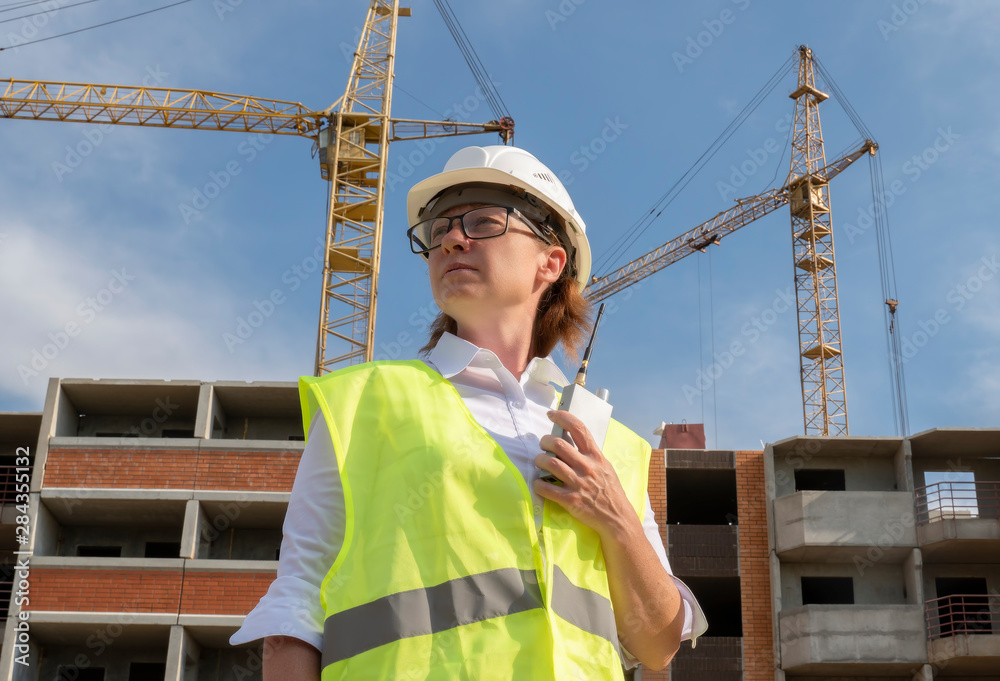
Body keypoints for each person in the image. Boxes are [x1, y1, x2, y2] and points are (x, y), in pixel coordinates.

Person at [231, 145, 706, 679]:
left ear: (551, 262)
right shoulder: (364, 403)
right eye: (438, 231)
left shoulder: (612, 448)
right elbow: (296, 605)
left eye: (483, 222)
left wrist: (616, 517)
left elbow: (658, 644)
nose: (452, 240)